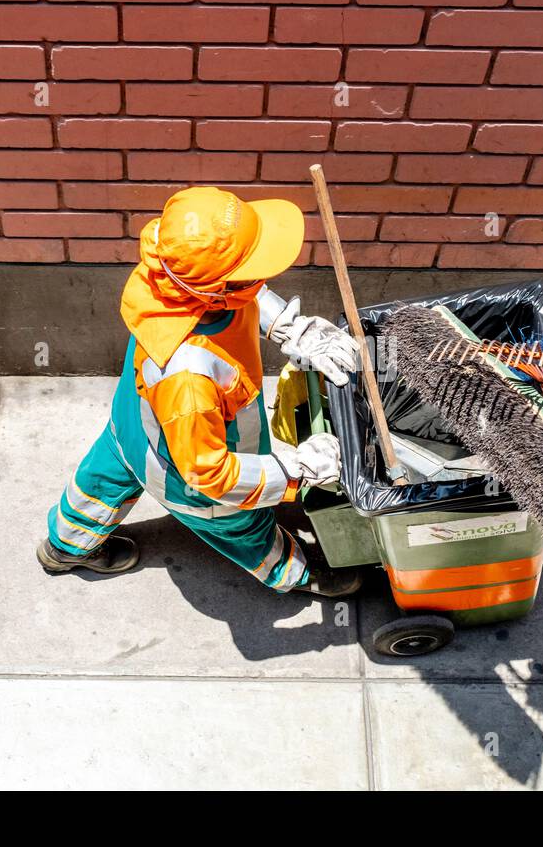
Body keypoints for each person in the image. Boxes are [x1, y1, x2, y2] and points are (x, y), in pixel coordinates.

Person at [36, 186, 364, 597]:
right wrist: (295, 472)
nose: (262, 278)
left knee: (100, 483)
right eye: (252, 269)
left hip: (134, 424)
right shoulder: (189, 378)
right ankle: (295, 573)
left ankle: (64, 547)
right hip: (190, 473)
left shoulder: (171, 271)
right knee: (245, 527)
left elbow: (244, 290)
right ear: (219, 292)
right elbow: (211, 476)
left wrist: (292, 327)